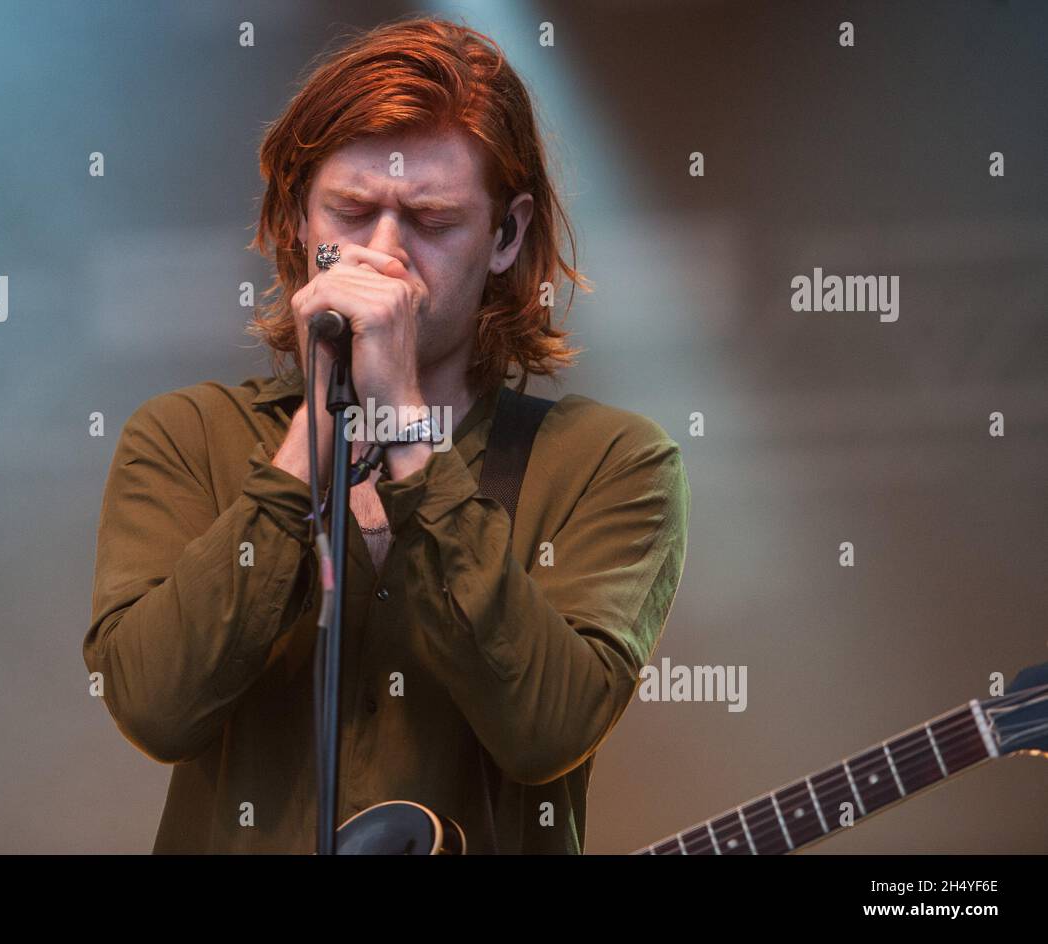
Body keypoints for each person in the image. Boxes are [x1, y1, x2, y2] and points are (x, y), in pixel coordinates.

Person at [83, 15, 690, 853]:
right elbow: (154, 704)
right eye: (352, 210)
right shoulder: (187, 437)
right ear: (298, 218)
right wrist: (315, 435)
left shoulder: (609, 463)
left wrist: (404, 422)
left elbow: (545, 729)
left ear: (507, 235)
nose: (383, 256)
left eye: (432, 220)